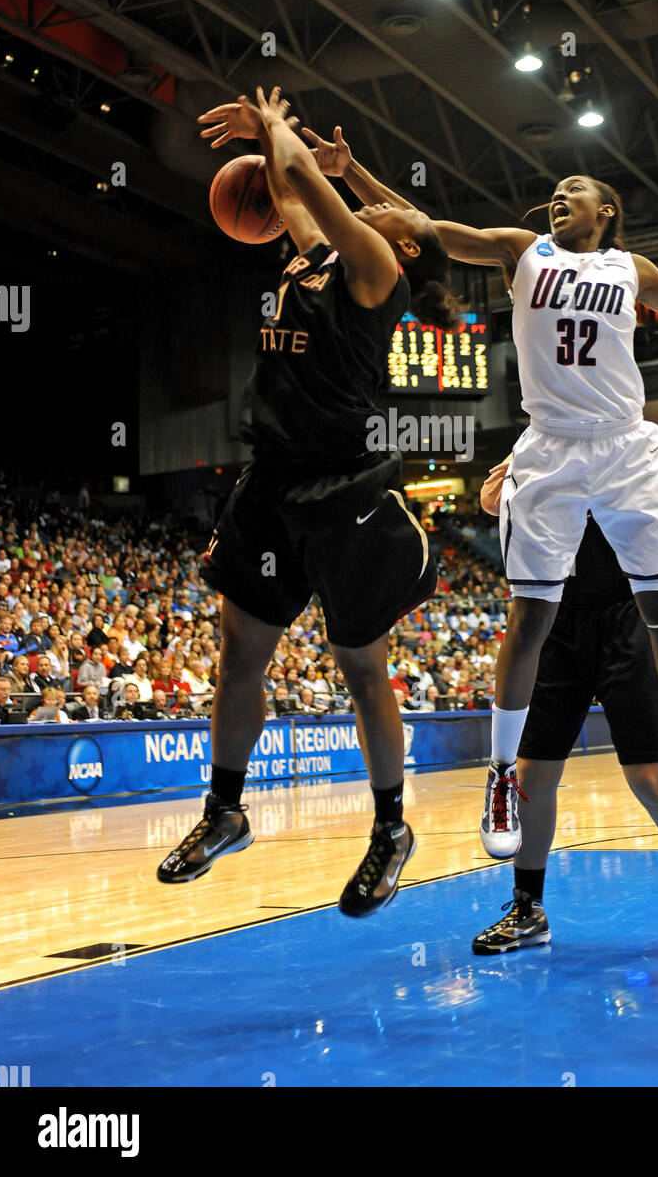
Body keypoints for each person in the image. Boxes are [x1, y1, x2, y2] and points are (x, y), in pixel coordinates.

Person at [302, 125, 658, 859]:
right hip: (550, 448)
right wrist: (352, 172)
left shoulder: (633, 269)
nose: (558, 198)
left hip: (625, 446)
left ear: (608, 210)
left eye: (575, 192)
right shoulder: (520, 252)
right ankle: (500, 777)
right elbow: (421, 229)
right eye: (553, 195)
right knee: (530, 619)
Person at [155, 84, 455, 918]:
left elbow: (311, 190)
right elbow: (293, 195)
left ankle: (391, 828)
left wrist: (279, 131)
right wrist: (273, 147)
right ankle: (223, 812)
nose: (380, 210)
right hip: (272, 478)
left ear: (403, 249)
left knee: (362, 669)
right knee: (238, 655)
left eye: (394, 215)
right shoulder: (318, 252)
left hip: (342, 491)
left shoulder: (372, 273)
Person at [470, 458, 658, 956]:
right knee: (532, 776)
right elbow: (507, 514)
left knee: (651, 781)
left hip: (627, 617)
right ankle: (527, 910)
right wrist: (495, 503)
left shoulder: (624, 439)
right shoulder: (533, 446)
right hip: (552, 622)